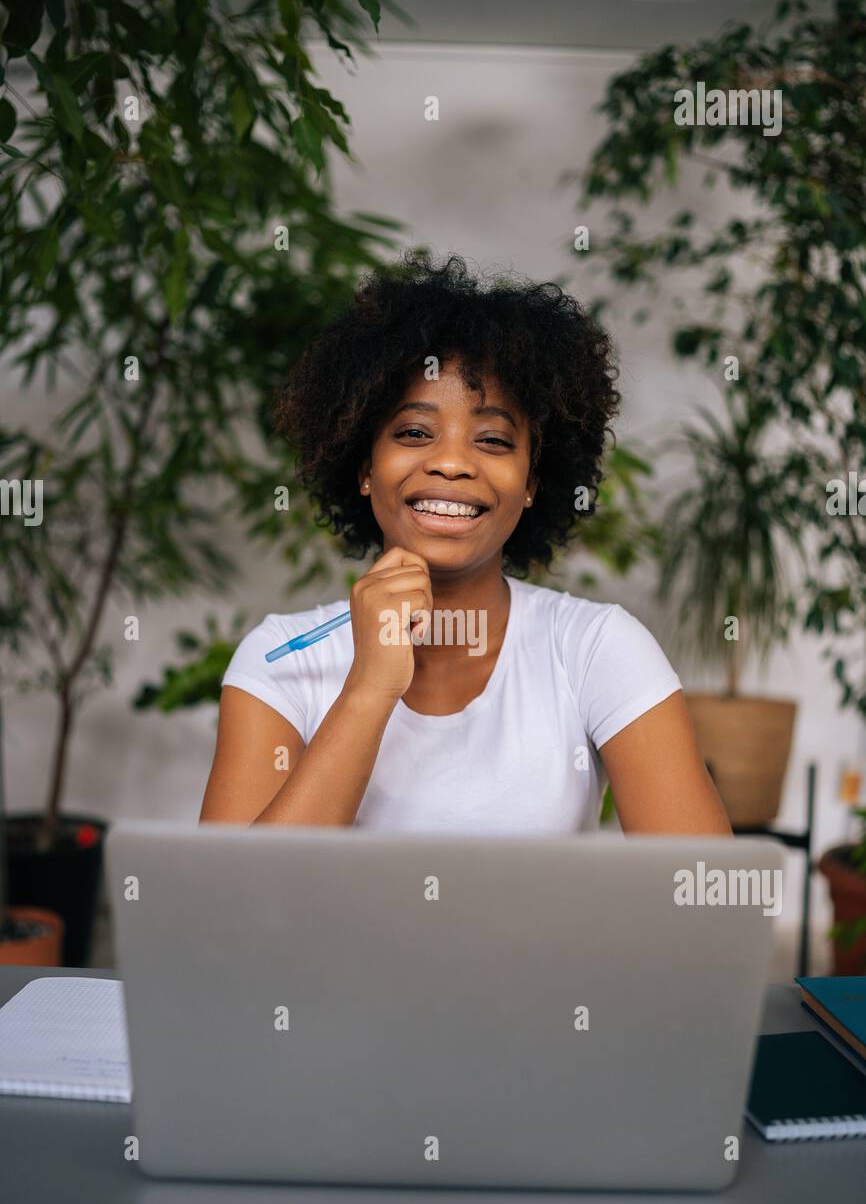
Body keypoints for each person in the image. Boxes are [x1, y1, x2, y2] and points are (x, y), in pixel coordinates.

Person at [201, 252, 730, 836]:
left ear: (532, 483)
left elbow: (701, 895)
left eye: (494, 440)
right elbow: (235, 910)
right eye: (414, 432)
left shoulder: (595, 649)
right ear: (364, 467)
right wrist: (369, 686)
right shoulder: (283, 659)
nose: (451, 462)